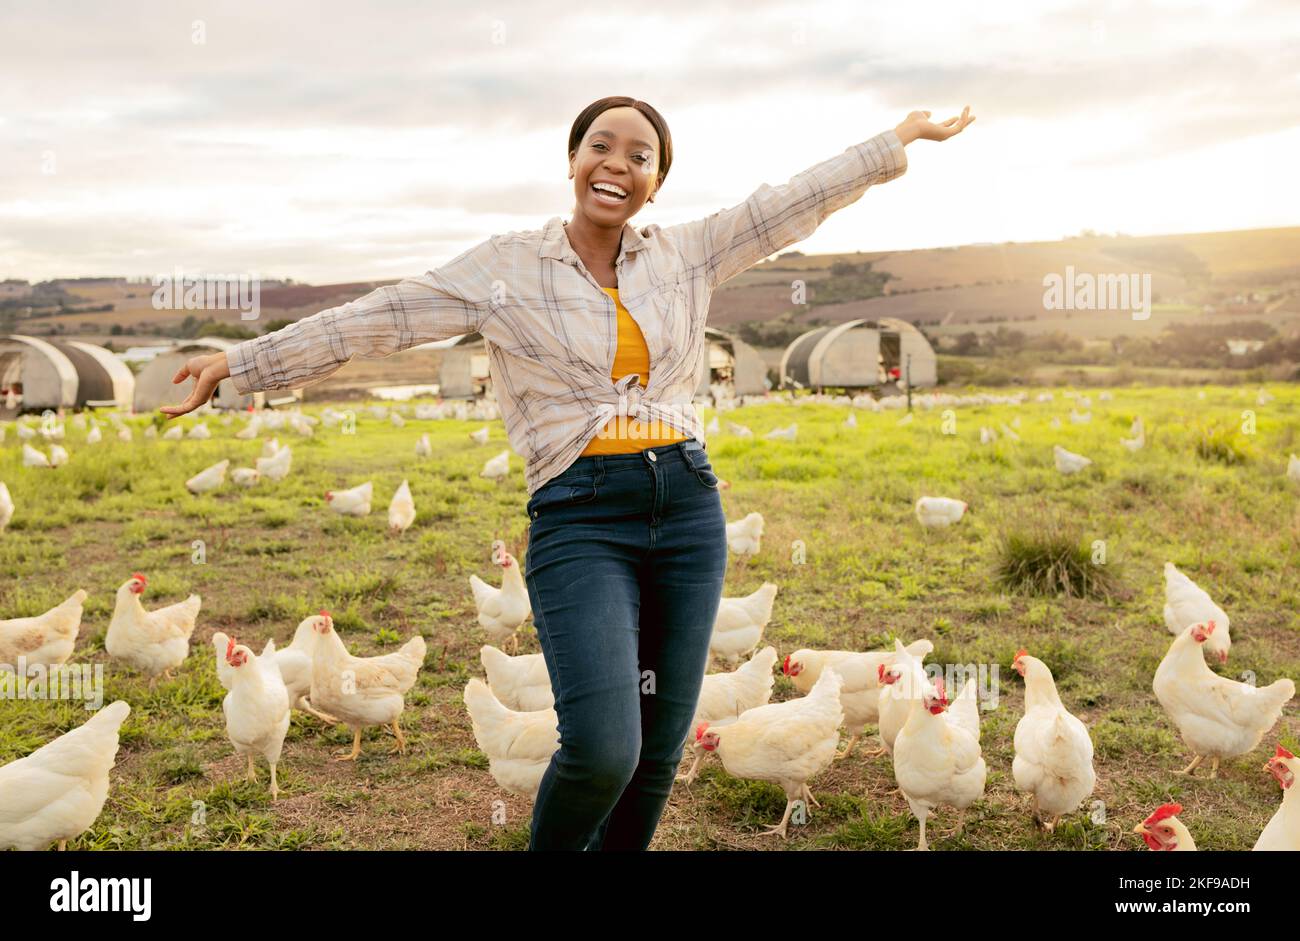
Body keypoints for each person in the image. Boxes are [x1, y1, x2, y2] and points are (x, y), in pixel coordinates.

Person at [161, 96, 975, 850]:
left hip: (688, 510)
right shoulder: (506, 268)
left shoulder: (687, 254)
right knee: (602, 746)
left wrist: (897, 140)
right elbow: (385, 315)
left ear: (656, 184)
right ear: (575, 161)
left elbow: (790, 203)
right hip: (580, 516)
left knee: (658, 747)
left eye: (641, 155)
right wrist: (239, 362)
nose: (617, 163)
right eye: (601, 146)